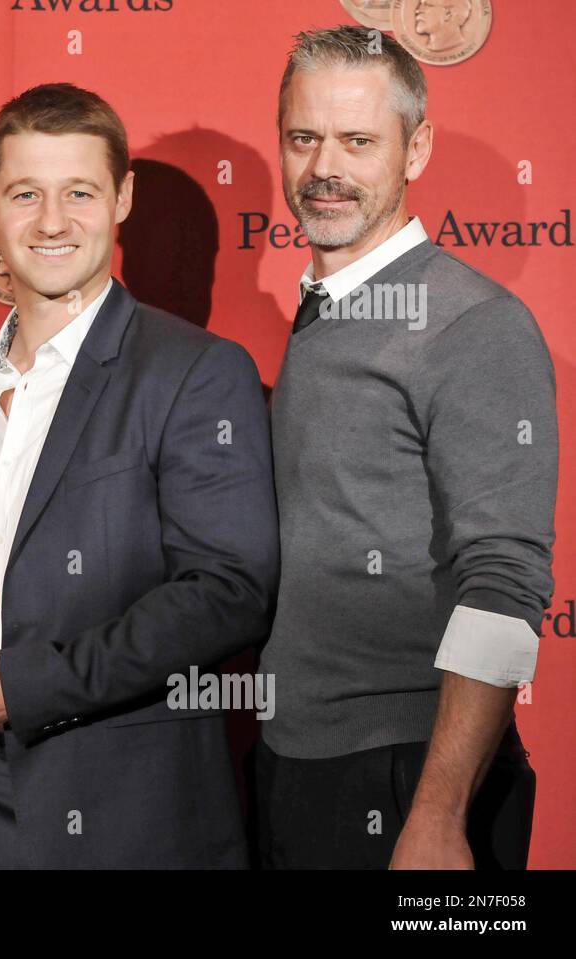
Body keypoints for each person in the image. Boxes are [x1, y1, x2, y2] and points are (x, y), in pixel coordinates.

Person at [0, 83, 280, 868]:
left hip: (129, 812)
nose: (51, 222)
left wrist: (27, 685)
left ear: (122, 199)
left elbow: (229, 589)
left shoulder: (195, 371)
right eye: (25, 194)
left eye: (79, 192)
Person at [255, 26, 556, 869]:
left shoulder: (477, 324)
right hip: (295, 757)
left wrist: (437, 814)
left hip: (411, 775)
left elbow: (505, 582)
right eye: (304, 138)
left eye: (358, 141)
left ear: (415, 149)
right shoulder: (325, 309)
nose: (324, 168)